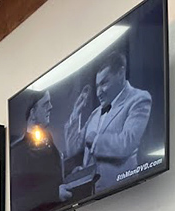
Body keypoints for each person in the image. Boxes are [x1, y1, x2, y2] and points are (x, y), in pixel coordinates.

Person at [65, 52, 152, 192]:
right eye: (97, 86)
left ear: (121, 73)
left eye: (104, 83)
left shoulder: (139, 99)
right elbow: (72, 149)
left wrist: (95, 141)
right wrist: (76, 113)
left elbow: (126, 144)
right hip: (91, 195)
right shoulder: (95, 114)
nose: (98, 92)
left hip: (127, 194)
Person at [10, 89, 67, 211]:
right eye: (45, 104)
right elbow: (19, 204)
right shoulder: (17, 152)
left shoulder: (48, 140)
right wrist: (55, 194)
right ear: (33, 112)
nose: (51, 107)